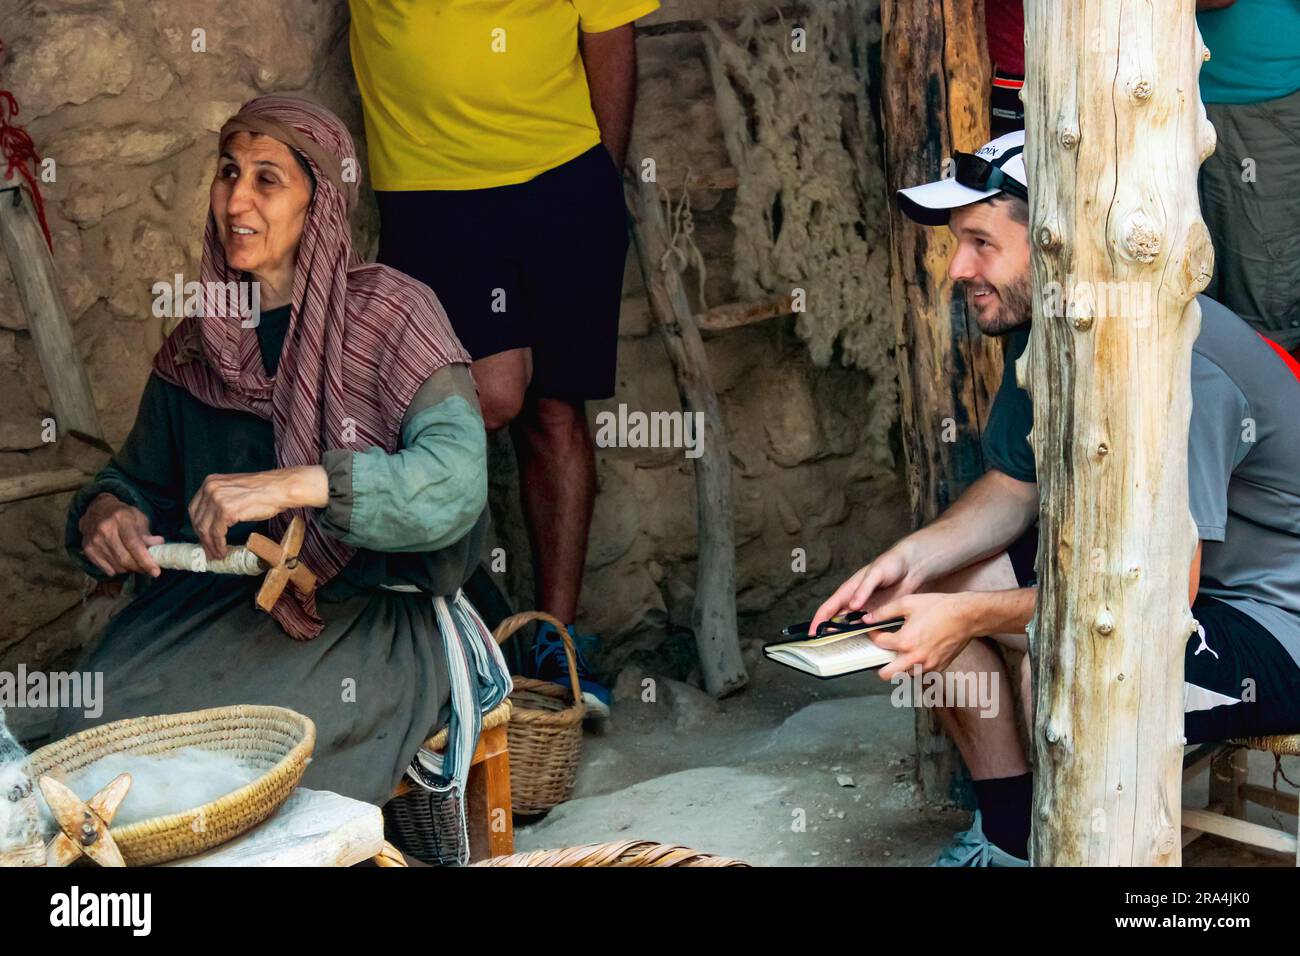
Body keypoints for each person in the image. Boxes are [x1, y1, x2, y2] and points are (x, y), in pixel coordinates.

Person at [812, 130, 1300, 866]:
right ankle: (1011, 841)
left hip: (1275, 625)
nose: (958, 270)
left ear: (1053, 243)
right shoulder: (1049, 325)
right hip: (1188, 596)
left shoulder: (1177, 363)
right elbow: (1016, 486)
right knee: (931, 590)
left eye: (980, 243)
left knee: (1067, 658)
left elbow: (1161, 595)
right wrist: (904, 563)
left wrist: (974, 614)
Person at [57, 96, 509, 831]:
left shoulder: (395, 315)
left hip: (368, 617)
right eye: (228, 172)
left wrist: (300, 483)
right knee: (92, 723)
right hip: (219, 610)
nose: (237, 198)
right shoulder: (196, 345)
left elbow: (455, 484)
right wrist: (111, 514)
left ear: (320, 202)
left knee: (250, 765)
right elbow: (134, 478)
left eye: (268, 179)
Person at [346, 0, 661, 716]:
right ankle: (449, 636)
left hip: (560, 179)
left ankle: (553, 640)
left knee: (553, 412)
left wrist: (600, 181)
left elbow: (609, 33)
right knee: (479, 400)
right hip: (432, 191)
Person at [1196, 0, 1300, 354]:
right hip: (1160, 95)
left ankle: (1266, 406)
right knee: (1180, 283)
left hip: (1261, 102)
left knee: (1261, 298)